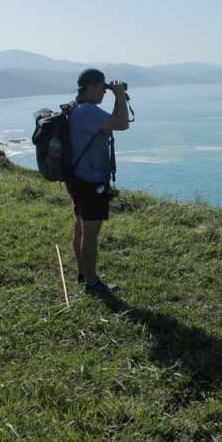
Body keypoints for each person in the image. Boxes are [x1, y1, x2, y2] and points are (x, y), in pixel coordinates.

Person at [65, 68, 130, 295]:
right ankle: (92, 284)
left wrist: (116, 97)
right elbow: (123, 123)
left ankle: (84, 275)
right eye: (102, 88)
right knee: (90, 234)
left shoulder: (77, 107)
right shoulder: (88, 111)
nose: (104, 92)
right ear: (91, 87)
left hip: (76, 177)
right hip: (90, 181)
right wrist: (120, 95)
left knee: (81, 228)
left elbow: (112, 122)